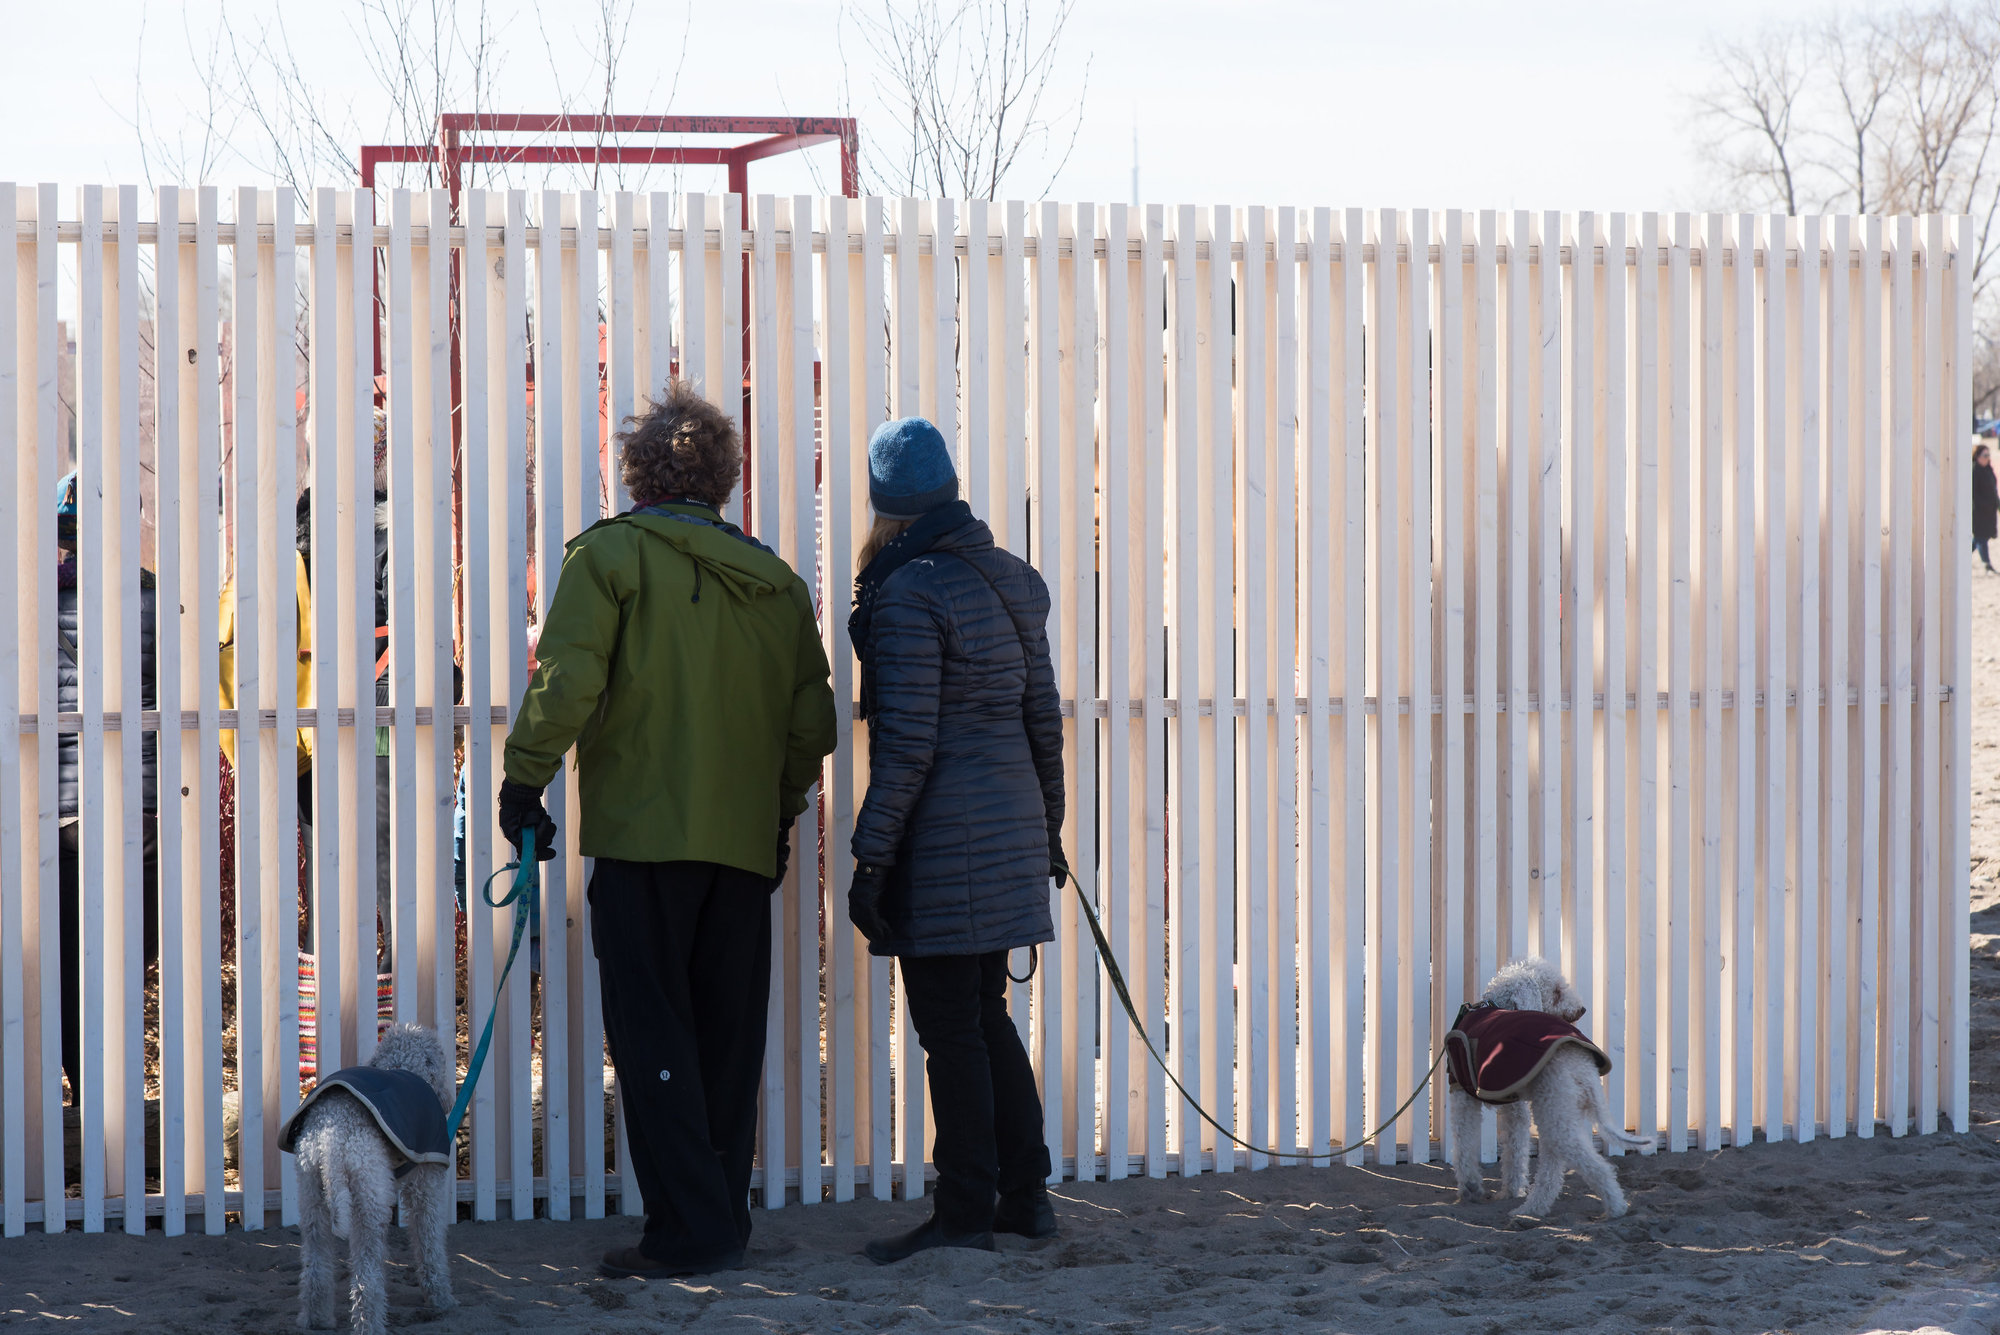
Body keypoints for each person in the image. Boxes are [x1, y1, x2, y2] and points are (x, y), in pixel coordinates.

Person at [498, 380, 836, 1278]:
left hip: (644, 841)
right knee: (729, 1039)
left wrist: (523, 781)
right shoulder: (776, 581)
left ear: (640, 473)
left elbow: (565, 680)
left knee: (652, 1036)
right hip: (741, 842)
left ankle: (688, 1233)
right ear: (723, 478)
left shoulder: (611, 557)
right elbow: (813, 724)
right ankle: (721, 1218)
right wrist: (781, 809)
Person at [845, 417, 1067, 1264]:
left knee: (951, 1026)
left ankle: (965, 1206)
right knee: (984, 1014)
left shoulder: (907, 592)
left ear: (885, 505)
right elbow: (1040, 720)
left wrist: (873, 858)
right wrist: (1045, 831)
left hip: (942, 841)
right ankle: (1026, 1197)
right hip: (1006, 827)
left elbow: (907, 743)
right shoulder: (1009, 577)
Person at [52, 470, 160, 1106]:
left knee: (71, 956)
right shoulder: (154, 601)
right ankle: (114, 1077)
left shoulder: (34, 603)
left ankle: (82, 1081)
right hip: (139, 802)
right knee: (131, 949)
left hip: (62, 808)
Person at [1975, 442, 1997, 574]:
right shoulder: (1975, 471)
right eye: (1985, 455)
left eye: (1989, 455)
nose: (1987, 458)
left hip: (1989, 512)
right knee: (1980, 537)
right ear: (1977, 456)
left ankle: (1986, 562)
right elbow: (1974, 495)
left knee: (1981, 538)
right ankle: (1987, 563)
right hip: (1978, 512)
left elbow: (1994, 491)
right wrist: (1984, 505)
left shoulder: (1989, 470)